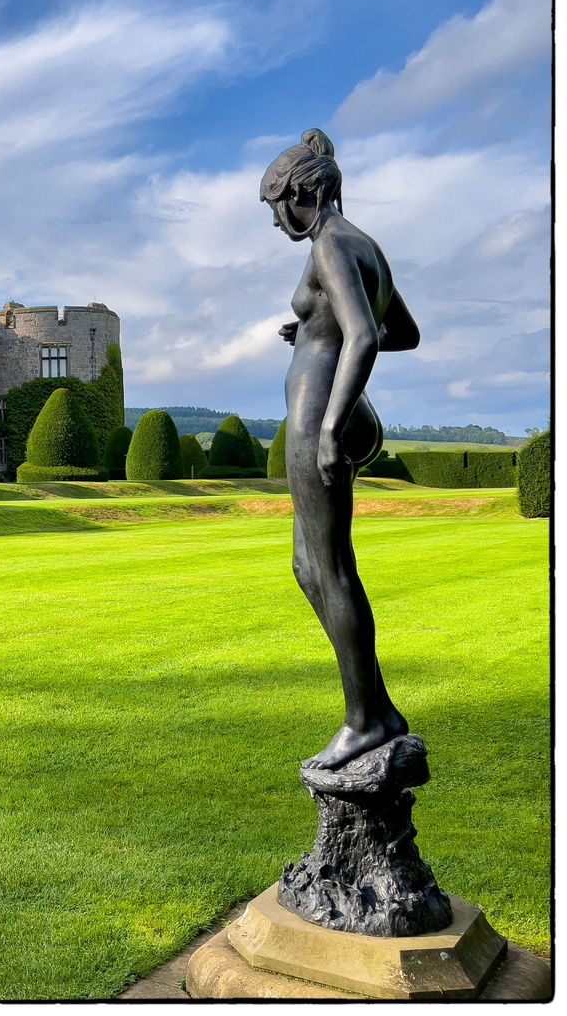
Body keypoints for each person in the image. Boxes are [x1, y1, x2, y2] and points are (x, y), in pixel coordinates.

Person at [262, 129, 421, 770]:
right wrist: (310, 327)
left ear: (308, 192)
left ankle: (365, 719)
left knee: (329, 568)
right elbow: (402, 331)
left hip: (316, 419)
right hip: (327, 407)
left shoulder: (329, 243)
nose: (278, 220)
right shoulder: (365, 245)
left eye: (282, 205)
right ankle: (373, 704)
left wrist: (329, 428)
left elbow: (366, 338)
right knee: (309, 568)